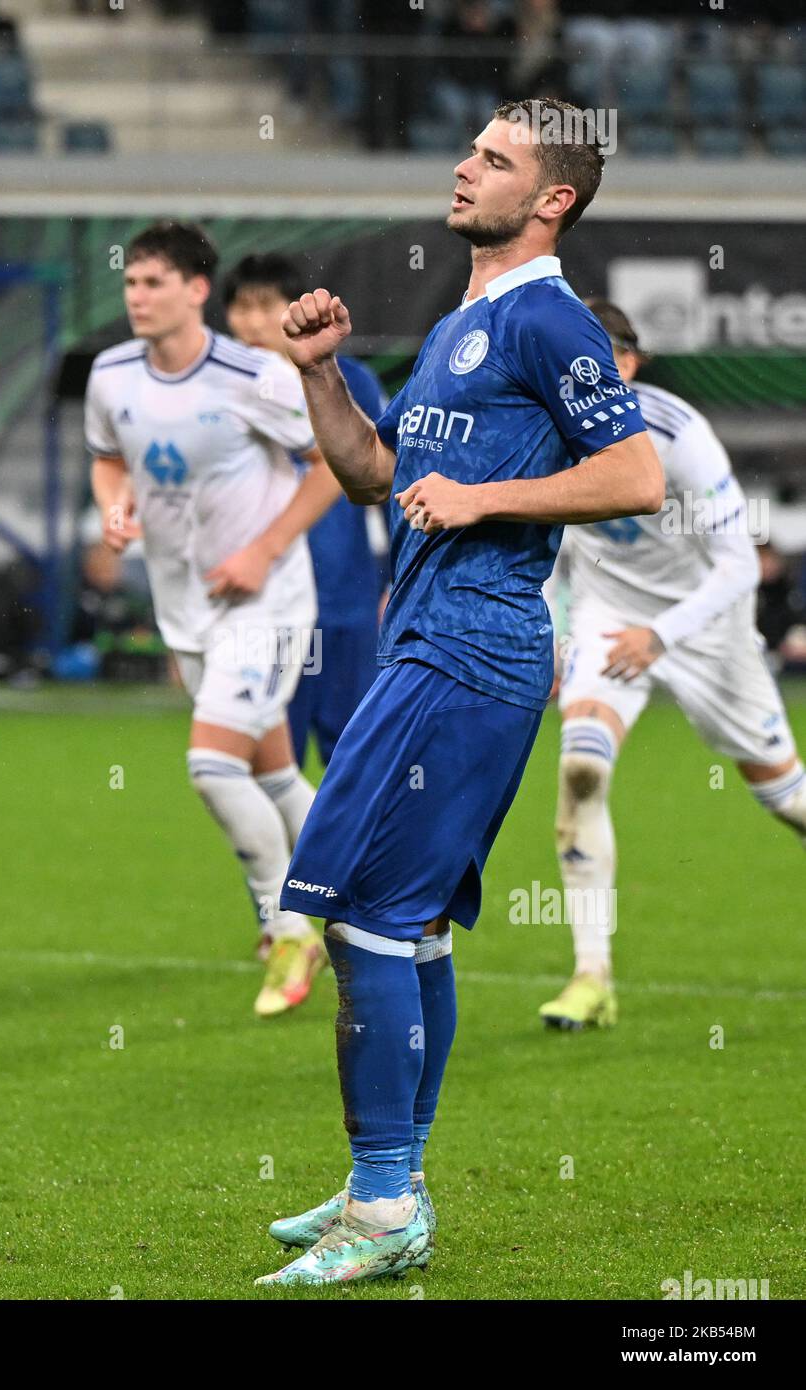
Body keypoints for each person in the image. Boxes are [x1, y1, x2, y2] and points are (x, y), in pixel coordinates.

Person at [254, 98, 665, 1286]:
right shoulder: (460, 321)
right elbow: (380, 475)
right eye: (469, 148)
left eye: (494, 159)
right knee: (411, 921)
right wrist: (322, 376)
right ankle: (394, 1180)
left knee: (354, 914)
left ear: (551, 200)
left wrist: (487, 503)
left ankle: (384, 1200)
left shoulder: (550, 321)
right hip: (433, 648)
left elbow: (633, 472)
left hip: (468, 649)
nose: (462, 166)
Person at [85, 221, 342, 1018]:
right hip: (187, 608)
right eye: (130, 283)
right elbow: (107, 456)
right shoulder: (110, 374)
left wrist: (265, 550)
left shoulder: (252, 375)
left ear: (197, 290)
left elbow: (334, 463)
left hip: (264, 601)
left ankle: (288, 924)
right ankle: (351, 892)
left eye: (154, 283)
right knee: (271, 773)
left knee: (210, 766)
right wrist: (114, 508)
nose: (137, 296)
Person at [539, 299, 806, 1031]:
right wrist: (554, 632)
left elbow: (738, 568)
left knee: (789, 800)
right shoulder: (545, 424)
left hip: (706, 627)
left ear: (633, 360)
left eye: (607, 354)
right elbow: (545, 545)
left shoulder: (679, 434)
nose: (589, 369)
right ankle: (591, 977)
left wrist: (660, 636)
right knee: (581, 771)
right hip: (607, 618)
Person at [222, 252, 389, 773]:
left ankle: (355, 858)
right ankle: (283, 859)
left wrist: (396, 582)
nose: (250, 322)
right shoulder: (222, 390)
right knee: (268, 764)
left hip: (347, 601)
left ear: (291, 309)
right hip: (262, 603)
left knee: (356, 762)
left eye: (263, 306)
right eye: (239, 308)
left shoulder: (349, 381)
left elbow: (390, 480)